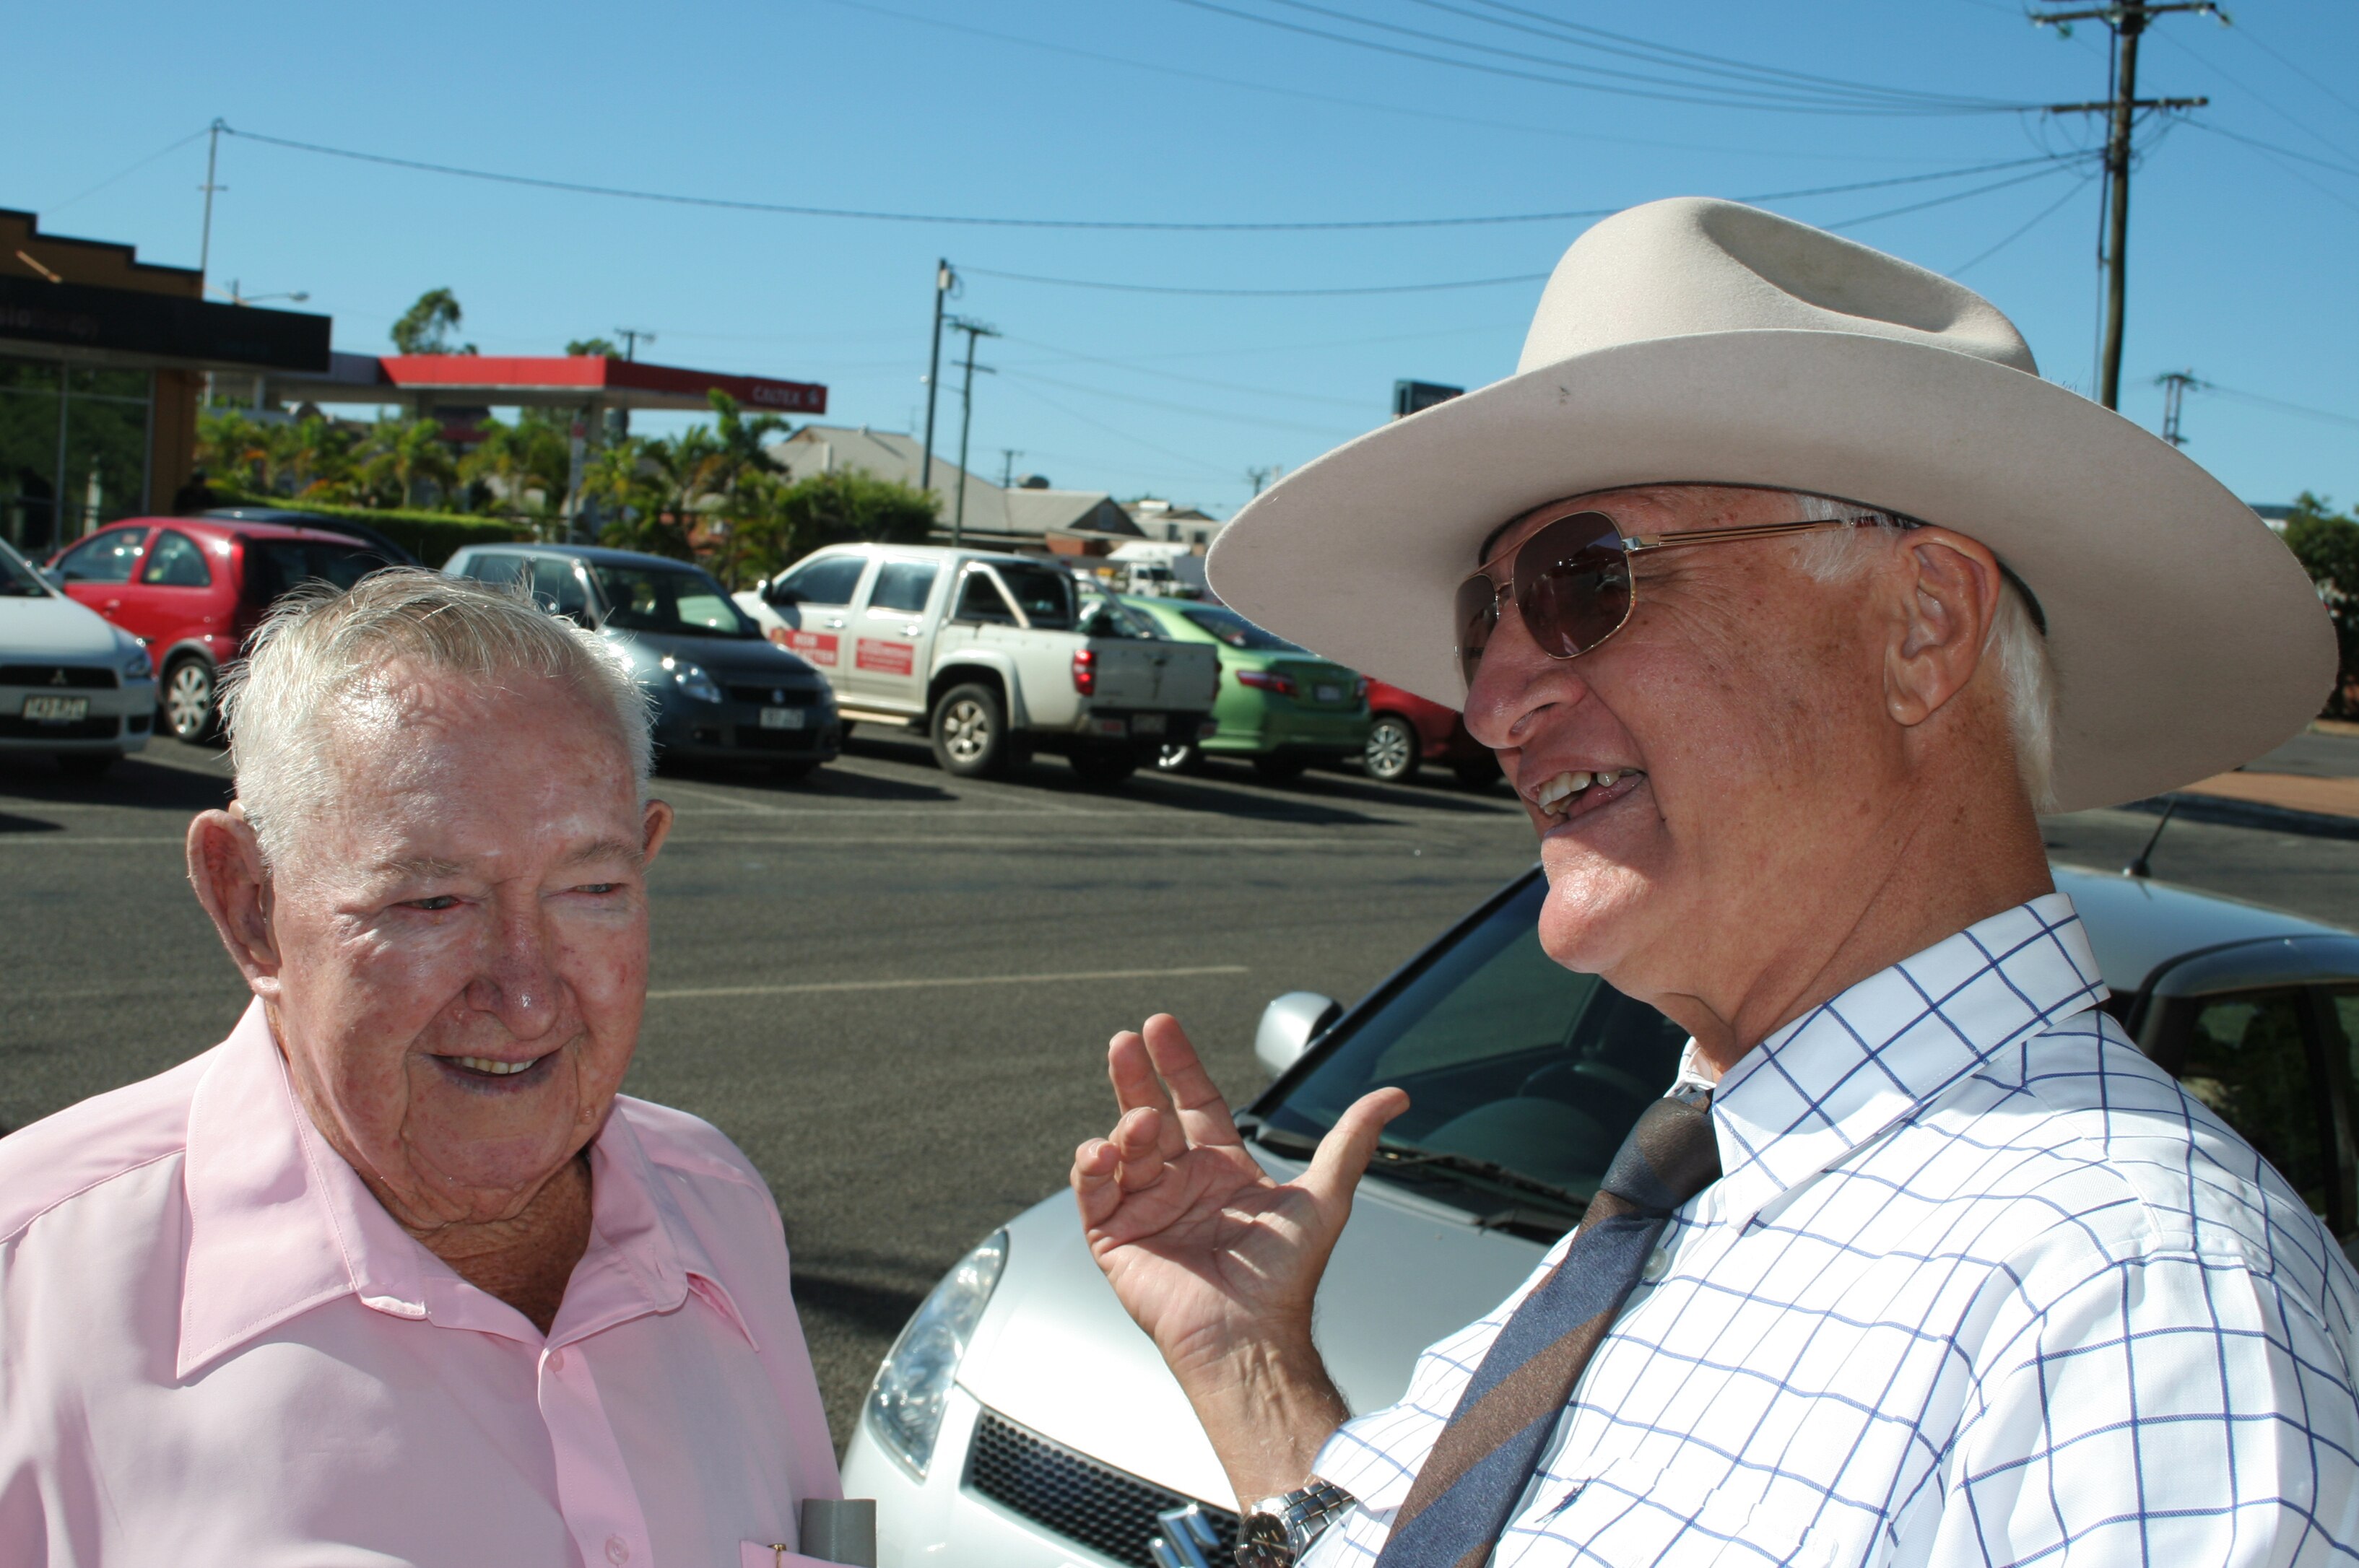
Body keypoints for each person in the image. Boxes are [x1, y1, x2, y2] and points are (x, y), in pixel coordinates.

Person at [1072, 198, 2359, 1567]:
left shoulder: (2143, 1318)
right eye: (1483, 615)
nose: (1496, 696)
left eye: (1584, 581)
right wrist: (1252, 1366)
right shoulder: (1708, 1185)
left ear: (1924, 628)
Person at [0, 571, 840, 1565]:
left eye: (593, 887)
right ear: (249, 904)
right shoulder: (30, 1290)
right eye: (431, 903)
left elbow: (830, 1532)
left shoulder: (721, 1206)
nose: (527, 997)